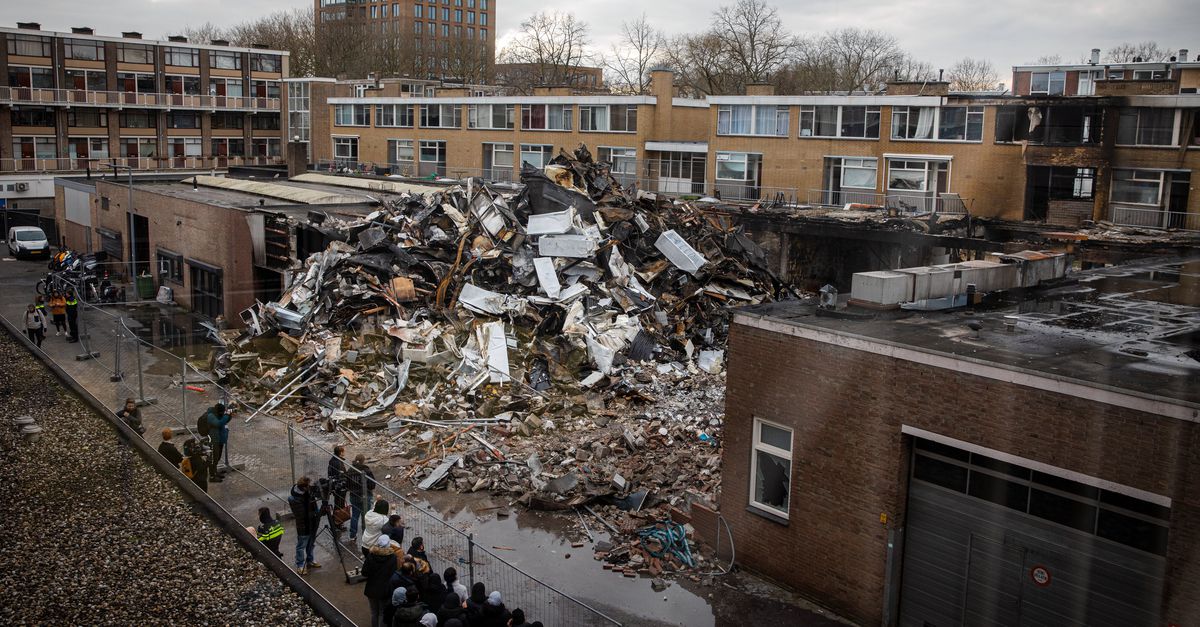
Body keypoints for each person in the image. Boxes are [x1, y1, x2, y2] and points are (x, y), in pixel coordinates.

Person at [288, 476, 323, 575]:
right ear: (304, 487)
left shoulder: (307, 493)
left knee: (311, 543)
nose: (310, 488)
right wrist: (317, 513)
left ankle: (310, 560)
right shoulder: (294, 498)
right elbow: (302, 515)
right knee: (301, 545)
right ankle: (300, 565)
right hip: (303, 525)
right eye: (308, 486)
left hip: (312, 523)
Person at [363, 535, 399, 627]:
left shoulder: (371, 556)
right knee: (382, 613)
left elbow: (364, 572)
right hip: (385, 590)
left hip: (371, 589)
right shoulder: (392, 557)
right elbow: (394, 573)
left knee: (374, 612)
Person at [347, 454, 376, 541]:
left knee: (355, 516)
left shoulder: (350, 470)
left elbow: (347, 483)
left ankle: (352, 535)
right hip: (365, 496)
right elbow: (372, 484)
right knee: (365, 516)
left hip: (354, 496)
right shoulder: (366, 470)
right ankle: (365, 534)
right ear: (363, 461)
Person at [205, 403, 232, 481]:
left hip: (219, 440)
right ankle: (212, 476)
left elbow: (224, 421)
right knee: (213, 458)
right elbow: (218, 423)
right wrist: (226, 415)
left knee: (217, 457)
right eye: (222, 412)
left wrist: (229, 415)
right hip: (213, 440)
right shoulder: (211, 416)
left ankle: (215, 472)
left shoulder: (218, 415)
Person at [328, 445, 348, 510]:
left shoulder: (332, 460)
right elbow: (341, 476)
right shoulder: (338, 463)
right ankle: (337, 519)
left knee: (337, 504)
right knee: (339, 506)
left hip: (335, 486)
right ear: (341, 453)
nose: (345, 452)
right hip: (340, 487)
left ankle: (336, 518)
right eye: (344, 451)